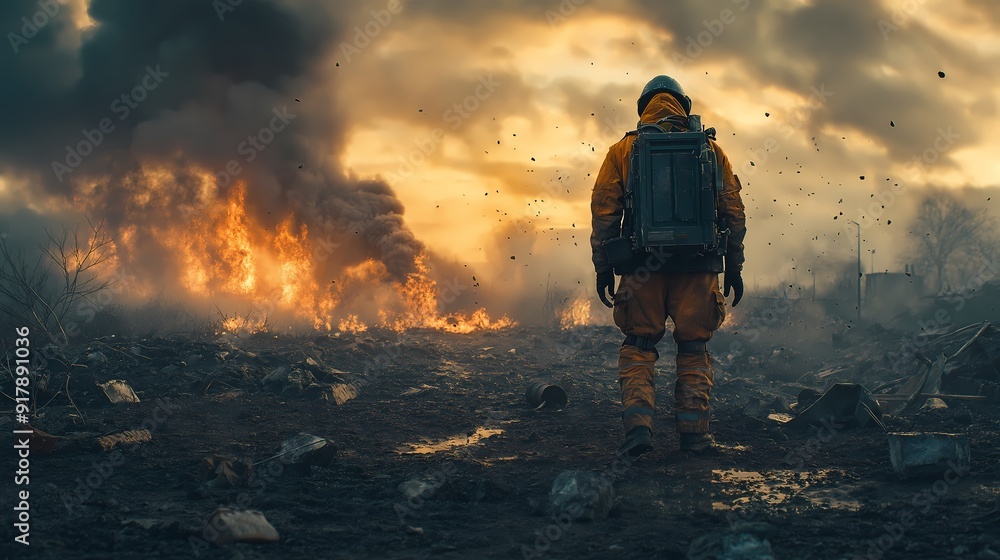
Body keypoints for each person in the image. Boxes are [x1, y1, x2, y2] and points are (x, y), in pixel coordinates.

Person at [590, 75, 747, 456]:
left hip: (643, 268)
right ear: (684, 105)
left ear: (643, 108)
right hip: (698, 267)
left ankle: (639, 431)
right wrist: (734, 265)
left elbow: (604, 212)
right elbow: (733, 212)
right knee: (694, 348)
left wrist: (603, 267)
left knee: (640, 345)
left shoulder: (622, 150)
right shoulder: (711, 149)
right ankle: (694, 436)